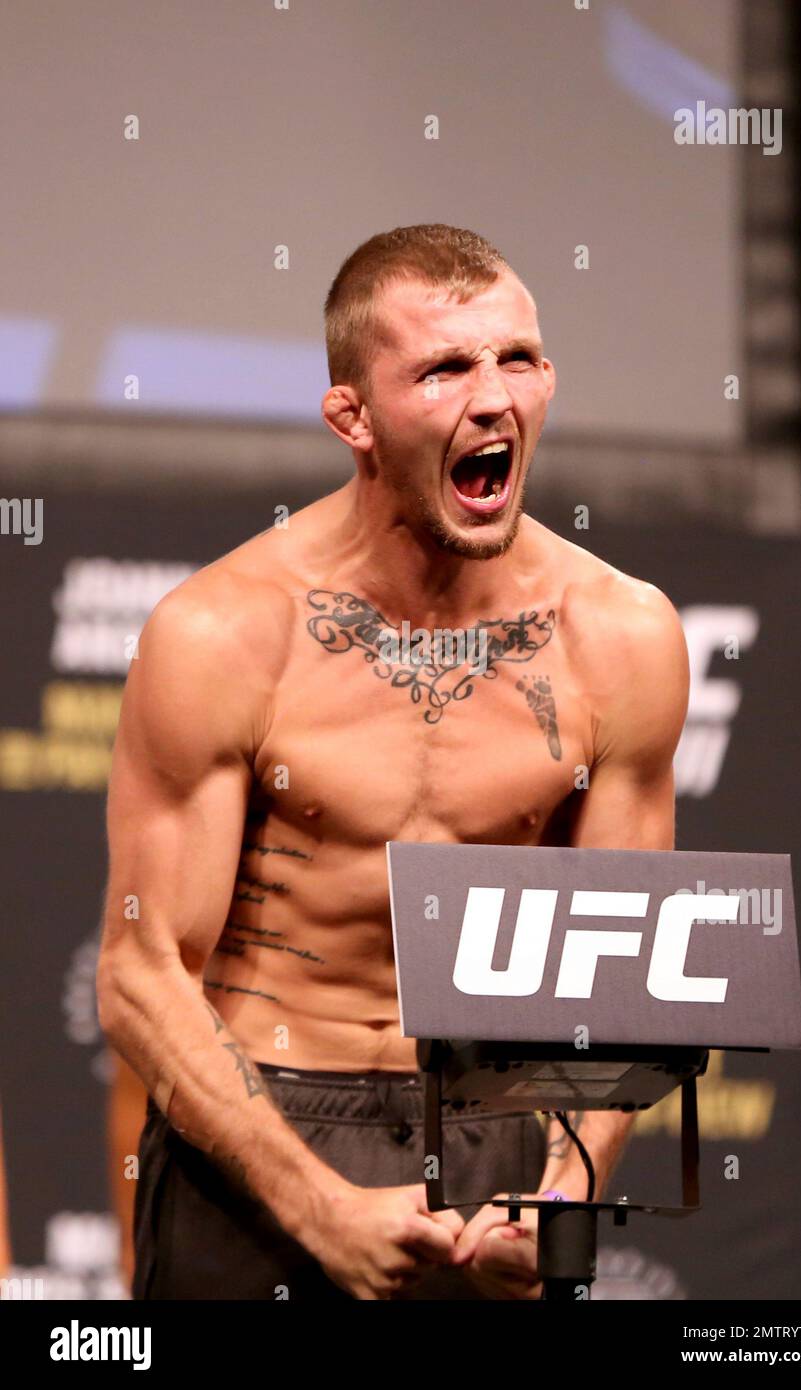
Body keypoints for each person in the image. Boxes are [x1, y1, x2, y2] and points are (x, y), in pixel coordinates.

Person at [96, 223, 689, 1300]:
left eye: (517, 358)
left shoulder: (621, 635)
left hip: (494, 1134)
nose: (494, 394)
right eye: (445, 367)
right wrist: (318, 1204)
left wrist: (563, 1192)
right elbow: (142, 974)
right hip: (262, 1127)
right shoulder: (223, 632)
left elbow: (629, 980)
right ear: (351, 416)